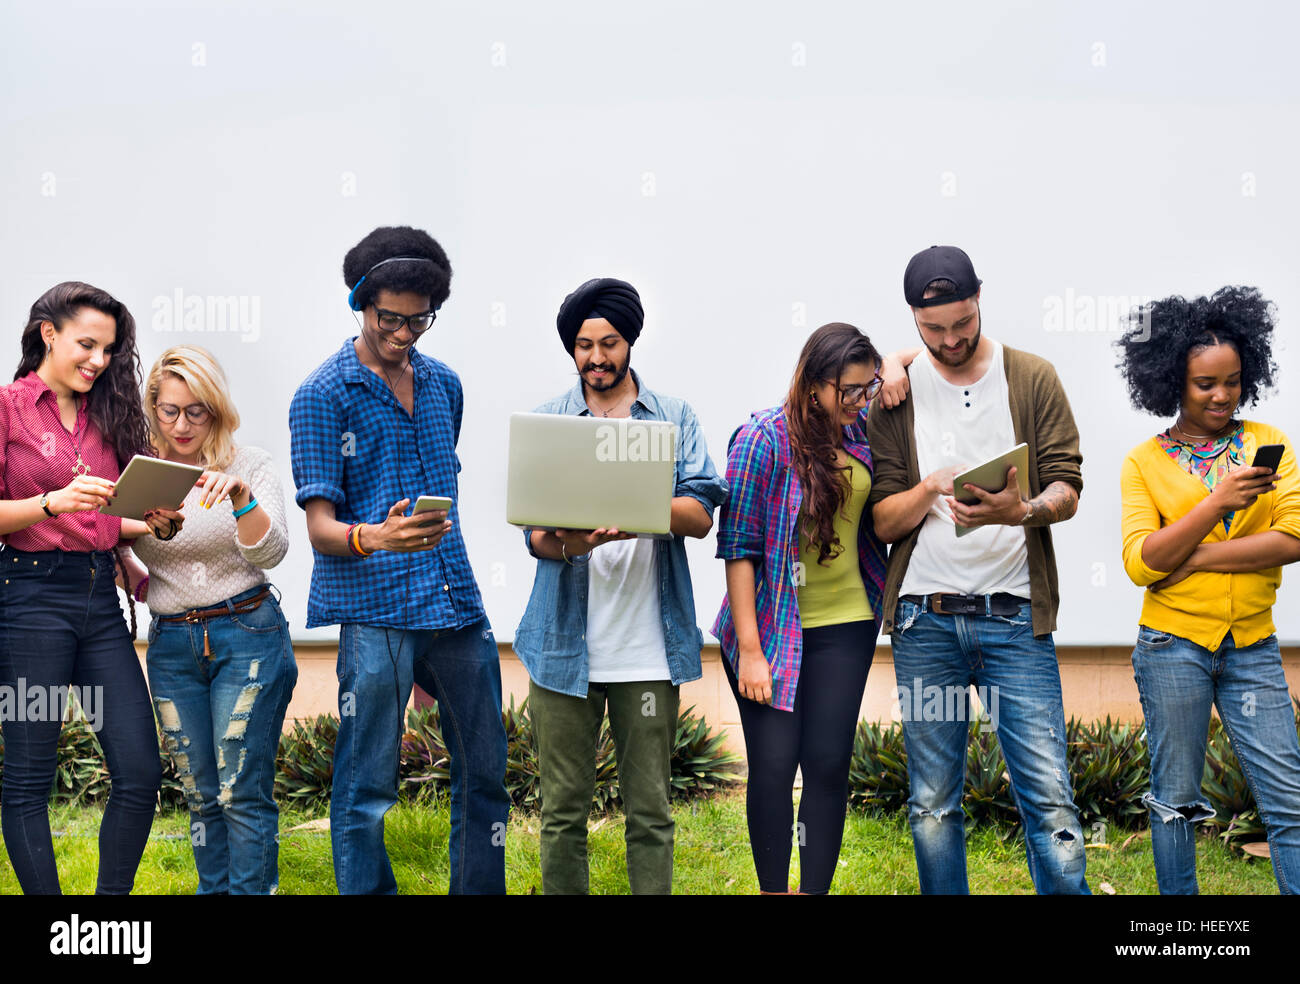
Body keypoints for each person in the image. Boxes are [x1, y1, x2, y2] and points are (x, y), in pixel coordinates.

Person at [289, 225, 509, 895]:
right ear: (361, 301)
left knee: (487, 771)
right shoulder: (323, 395)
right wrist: (374, 538)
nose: (406, 332)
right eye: (392, 317)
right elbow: (320, 529)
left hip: (453, 603)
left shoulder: (446, 386)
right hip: (376, 610)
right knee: (366, 784)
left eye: (421, 319)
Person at [866, 245, 1089, 895]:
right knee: (933, 803)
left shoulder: (1032, 377)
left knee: (1049, 797)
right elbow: (882, 522)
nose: (950, 339)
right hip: (924, 621)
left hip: (1014, 617)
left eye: (961, 323)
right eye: (931, 329)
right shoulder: (896, 396)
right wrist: (931, 486)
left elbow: (1070, 489)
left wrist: (1019, 509)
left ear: (979, 299)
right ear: (912, 319)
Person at [513, 278, 727, 895]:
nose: (597, 357)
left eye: (609, 343)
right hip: (561, 649)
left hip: (647, 651)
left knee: (651, 813)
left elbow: (700, 513)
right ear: (572, 350)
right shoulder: (551, 421)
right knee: (561, 815)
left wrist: (634, 505)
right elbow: (534, 537)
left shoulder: (672, 416)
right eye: (584, 345)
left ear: (629, 342)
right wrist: (574, 542)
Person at [715, 322, 914, 895]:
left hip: (846, 626)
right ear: (813, 387)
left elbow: (931, 351)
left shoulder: (860, 434)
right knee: (775, 768)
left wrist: (894, 367)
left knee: (828, 767)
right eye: (848, 391)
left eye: (866, 388)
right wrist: (751, 651)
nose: (859, 402)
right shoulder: (762, 440)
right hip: (771, 629)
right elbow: (739, 549)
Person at [1117, 286, 1300, 894]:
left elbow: (1292, 538)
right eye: (1205, 384)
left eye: (1233, 380)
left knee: (1289, 798)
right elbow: (1142, 564)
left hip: (1253, 645)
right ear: (1173, 381)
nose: (1222, 395)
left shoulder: (1266, 442)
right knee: (1175, 802)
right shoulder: (1143, 462)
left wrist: (1191, 555)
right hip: (1173, 647)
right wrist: (1218, 502)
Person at [0, 281, 172, 894]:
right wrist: (48, 502)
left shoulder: (109, 412)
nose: (99, 362)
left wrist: (141, 525)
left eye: (108, 350)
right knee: (28, 776)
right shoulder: (7, 408)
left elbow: (102, 515)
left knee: (139, 769)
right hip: (30, 600)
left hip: (100, 599)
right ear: (49, 333)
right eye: (87, 345)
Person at [126, 345, 295, 895]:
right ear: (153, 408)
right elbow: (106, 536)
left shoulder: (249, 465)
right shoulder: (143, 472)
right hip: (173, 642)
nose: (181, 424)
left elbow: (271, 553)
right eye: (170, 410)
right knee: (200, 792)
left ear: (217, 410)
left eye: (196, 410)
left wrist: (242, 500)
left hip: (246, 631)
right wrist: (133, 554)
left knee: (241, 788)